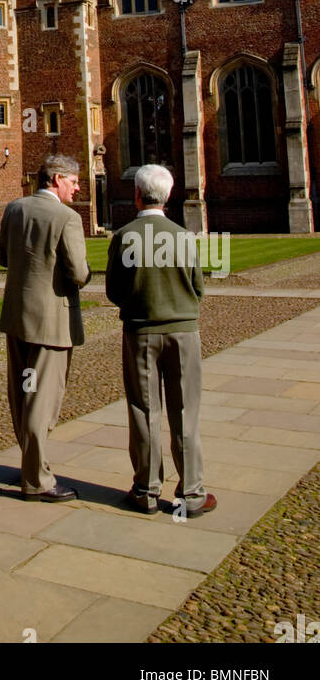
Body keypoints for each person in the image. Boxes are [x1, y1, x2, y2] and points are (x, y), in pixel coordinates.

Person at [105, 163, 216, 516]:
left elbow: (114, 290)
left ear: (137, 194)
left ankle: (146, 490)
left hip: (141, 332)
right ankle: (193, 493)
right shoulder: (185, 236)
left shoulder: (125, 236)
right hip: (184, 332)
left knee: (144, 411)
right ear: (168, 197)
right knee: (186, 412)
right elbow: (198, 287)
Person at [0, 154, 92, 501]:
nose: (78, 187)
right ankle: (38, 480)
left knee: (22, 392)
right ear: (55, 179)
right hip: (51, 320)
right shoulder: (68, 218)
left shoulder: (14, 209)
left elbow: (2, 257)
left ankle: (30, 463)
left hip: (17, 315)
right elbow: (78, 273)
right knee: (41, 399)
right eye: (74, 181)